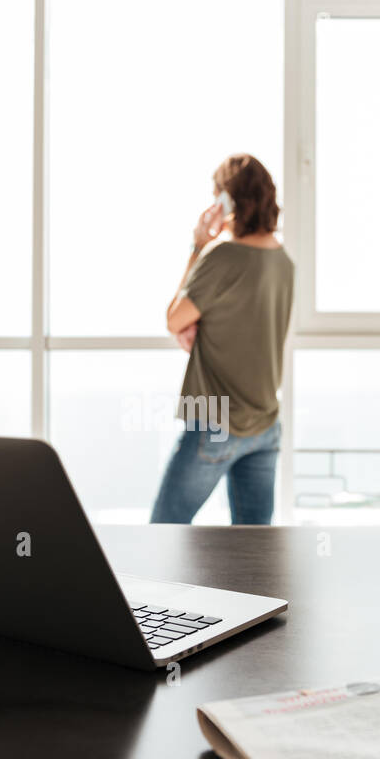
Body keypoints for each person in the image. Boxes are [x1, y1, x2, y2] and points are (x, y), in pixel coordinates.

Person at [150, 154, 294, 525]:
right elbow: (243, 320)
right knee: (253, 555)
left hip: (215, 417)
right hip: (266, 422)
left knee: (163, 531)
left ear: (228, 200)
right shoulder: (283, 263)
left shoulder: (223, 256)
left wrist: (199, 245)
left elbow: (173, 318)